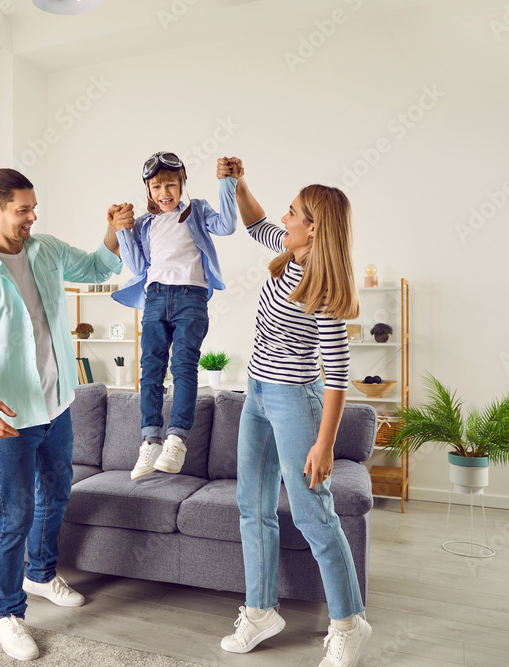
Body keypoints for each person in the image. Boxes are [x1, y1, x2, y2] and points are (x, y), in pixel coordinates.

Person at [0, 168, 125, 662]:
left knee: (57, 492)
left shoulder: (45, 251)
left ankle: (39, 575)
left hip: (58, 404)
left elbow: (97, 267)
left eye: (33, 207)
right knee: (14, 511)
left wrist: (110, 230)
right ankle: (9, 615)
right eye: (23, 210)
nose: (32, 217)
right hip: (9, 415)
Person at [218, 158, 371, 667]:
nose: (283, 220)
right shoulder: (289, 253)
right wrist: (238, 183)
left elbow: (338, 373)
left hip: (293, 401)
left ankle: (349, 623)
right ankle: (261, 610)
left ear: (314, 227)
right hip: (257, 393)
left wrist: (324, 443)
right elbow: (255, 221)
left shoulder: (322, 289)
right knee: (252, 506)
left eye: (293, 212)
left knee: (312, 513)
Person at [108, 152, 237, 480]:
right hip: (155, 298)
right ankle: (150, 439)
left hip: (190, 297)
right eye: (156, 186)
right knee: (150, 368)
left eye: (170, 184)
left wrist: (227, 182)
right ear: (148, 190)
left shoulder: (197, 211)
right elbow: (138, 267)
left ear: (182, 185)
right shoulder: (144, 224)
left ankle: (177, 438)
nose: (164, 192)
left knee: (182, 366)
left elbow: (227, 225)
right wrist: (123, 229)